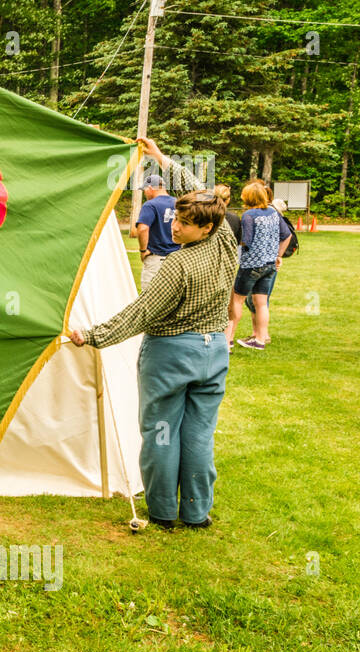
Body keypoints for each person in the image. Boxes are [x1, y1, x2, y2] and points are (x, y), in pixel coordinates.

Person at [70, 190, 237, 529]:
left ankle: (162, 511)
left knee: (161, 431)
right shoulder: (225, 242)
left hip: (172, 355)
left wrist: (93, 335)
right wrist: (162, 160)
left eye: (186, 223)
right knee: (199, 434)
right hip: (214, 352)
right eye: (176, 218)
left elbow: (143, 312)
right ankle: (196, 513)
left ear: (207, 228)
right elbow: (209, 194)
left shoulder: (178, 263)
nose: (175, 227)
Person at [228, 180, 291, 351]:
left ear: (248, 197)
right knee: (261, 303)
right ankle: (260, 340)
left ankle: (228, 339)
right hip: (269, 264)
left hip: (251, 265)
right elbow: (287, 235)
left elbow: (246, 241)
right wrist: (278, 255)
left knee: (237, 300)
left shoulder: (249, 215)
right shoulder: (273, 212)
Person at [134, 173, 178, 289]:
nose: (145, 193)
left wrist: (143, 250)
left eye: (145, 190)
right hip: (177, 259)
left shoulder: (150, 205)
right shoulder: (179, 203)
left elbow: (143, 228)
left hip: (156, 258)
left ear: (150, 188)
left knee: (149, 298)